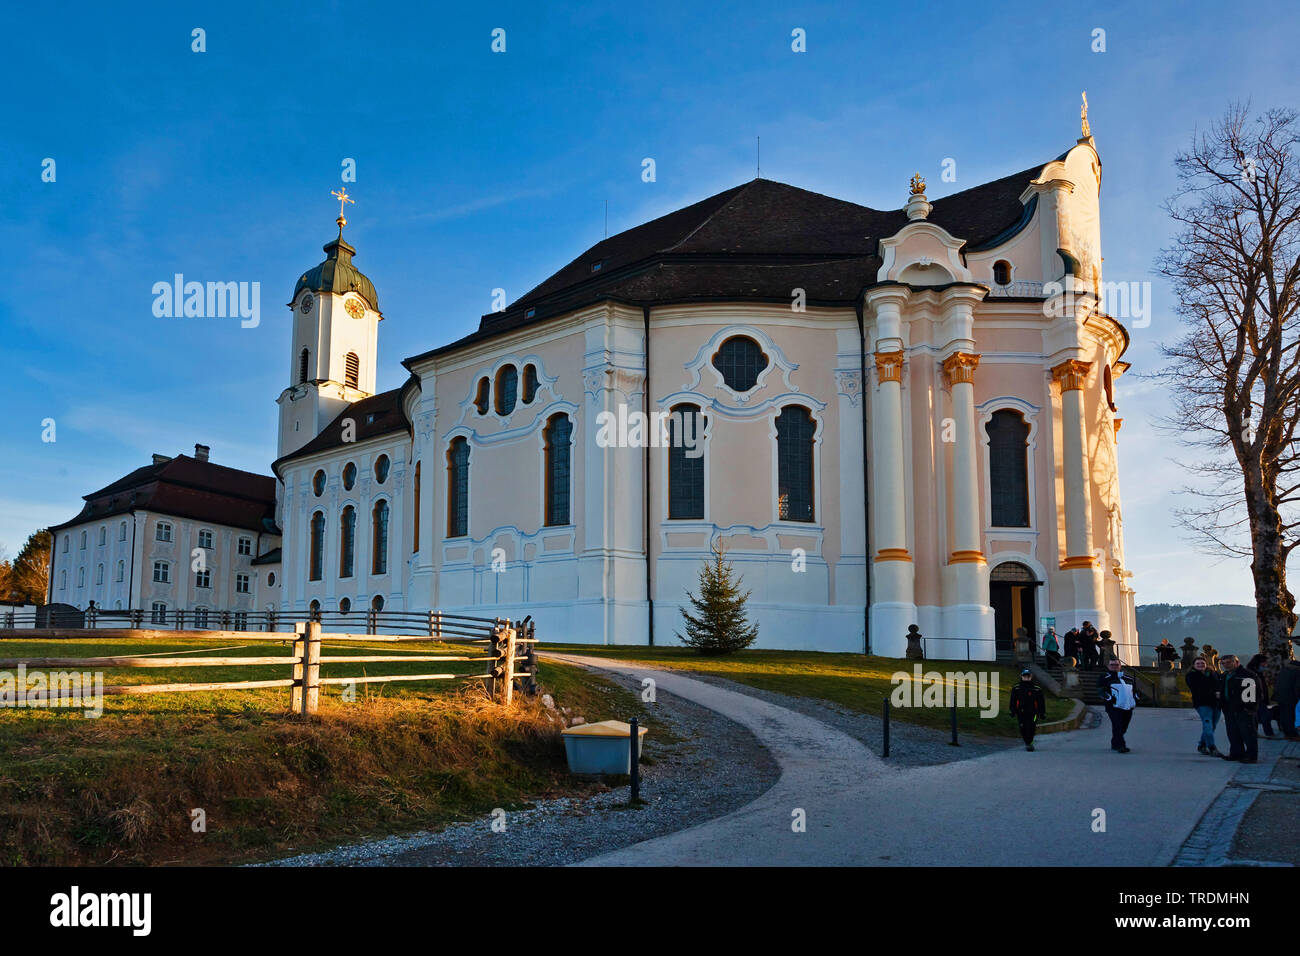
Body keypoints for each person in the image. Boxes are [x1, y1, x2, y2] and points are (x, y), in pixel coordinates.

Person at [1220, 655, 1259, 763]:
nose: (1226, 665)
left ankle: (1251, 756)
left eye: (1229, 662)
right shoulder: (1224, 675)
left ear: (1236, 662)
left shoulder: (1247, 675)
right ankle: (1236, 754)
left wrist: (1250, 709)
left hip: (1244, 710)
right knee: (1233, 733)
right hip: (1229, 710)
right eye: (1223, 663)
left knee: (1248, 734)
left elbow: (1255, 694)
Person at [1098, 657, 1138, 752]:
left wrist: (1136, 699)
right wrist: (1110, 699)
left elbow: (1135, 691)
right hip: (1113, 707)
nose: (1114, 666)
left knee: (1124, 726)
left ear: (1120, 666)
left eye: (1116, 664)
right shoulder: (1104, 678)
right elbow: (1101, 691)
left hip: (1128, 707)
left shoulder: (1128, 678)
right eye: (1112, 665)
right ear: (1108, 666)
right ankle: (1121, 745)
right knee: (1117, 725)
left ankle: (1115, 742)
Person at [1184, 657, 1223, 755]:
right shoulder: (1191, 675)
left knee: (1212, 725)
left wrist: (1218, 692)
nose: (1201, 665)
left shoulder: (1213, 673)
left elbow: (1219, 684)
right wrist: (1215, 692)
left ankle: (1202, 744)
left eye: (1202, 663)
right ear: (1193, 665)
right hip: (1202, 703)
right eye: (1198, 663)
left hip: (1216, 703)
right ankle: (1212, 747)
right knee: (1208, 724)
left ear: (1206, 664)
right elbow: (1198, 688)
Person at [1009, 668, 1047, 751]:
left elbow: (1041, 702)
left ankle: (1030, 743)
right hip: (1021, 712)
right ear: (1021, 677)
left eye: (1028, 676)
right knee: (1023, 728)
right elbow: (1013, 700)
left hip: (1033, 712)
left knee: (1031, 727)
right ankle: (1027, 742)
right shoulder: (1016, 688)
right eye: (1024, 676)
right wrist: (1012, 710)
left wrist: (1042, 713)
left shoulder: (1037, 689)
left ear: (1031, 677)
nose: (1026, 678)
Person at [1246, 654, 1276, 737]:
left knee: (1258, 716)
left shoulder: (1258, 672)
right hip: (1256, 698)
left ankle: (1256, 732)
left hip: (1259, 698)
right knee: (1264, 716)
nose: (1265, 665)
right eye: (1264, 663)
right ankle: (1268, 733)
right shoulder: (1252, 673)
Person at [1276, 650, 1300, 741]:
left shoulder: (1284, 670)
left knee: (1284, 715)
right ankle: (1293, 734)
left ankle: (1287, 733)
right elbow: (1298, 687)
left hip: (1280, 696)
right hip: (1291, 697)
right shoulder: (1298, 672)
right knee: (1291, 716)